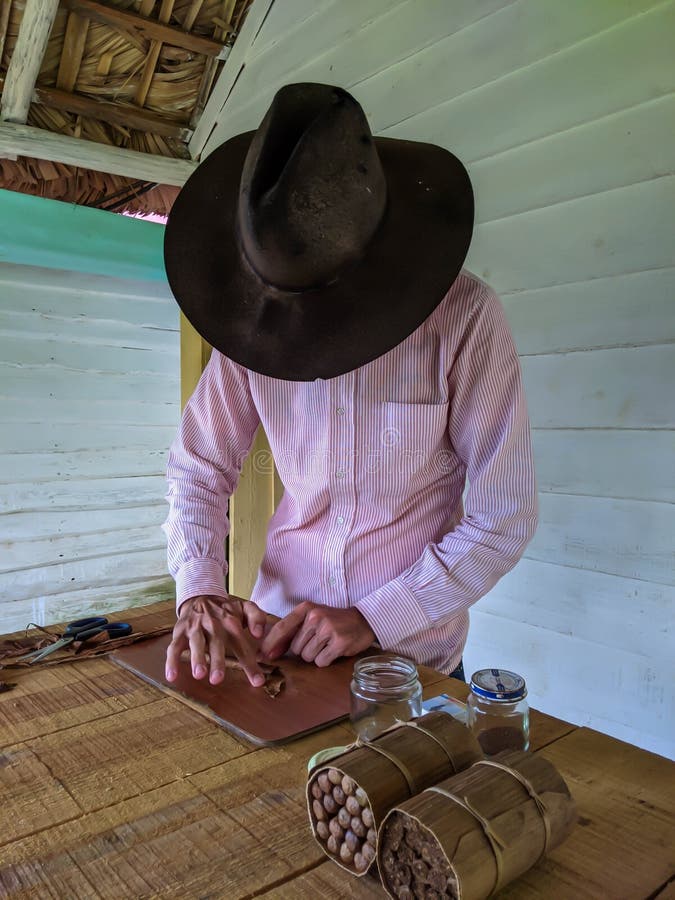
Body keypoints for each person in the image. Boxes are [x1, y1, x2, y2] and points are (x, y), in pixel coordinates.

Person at [162, 83, 537, 689]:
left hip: (409, 661)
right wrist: (198, 592)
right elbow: (197, 468)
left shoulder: (464, 319)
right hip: (275, 644)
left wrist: (374, 618)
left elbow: (504, 516)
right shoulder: (247, 323)